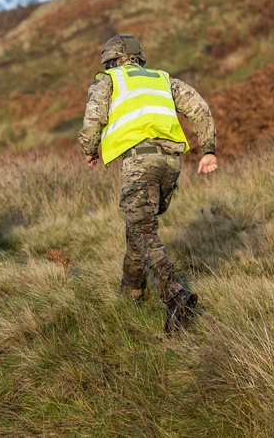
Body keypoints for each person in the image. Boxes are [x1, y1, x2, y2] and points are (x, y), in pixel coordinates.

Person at [78, 34, 218, 333]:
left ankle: (175, 295)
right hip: (171, 164)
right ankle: (131, 293)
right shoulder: (163, 79)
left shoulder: (109, 79)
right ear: (139, 57)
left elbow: (93, 118)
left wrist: (90, 150)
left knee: (144, 231)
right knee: (137, 227)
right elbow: (199, 108)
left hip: (140, 161)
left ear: (111, 59)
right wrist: (208, 149)